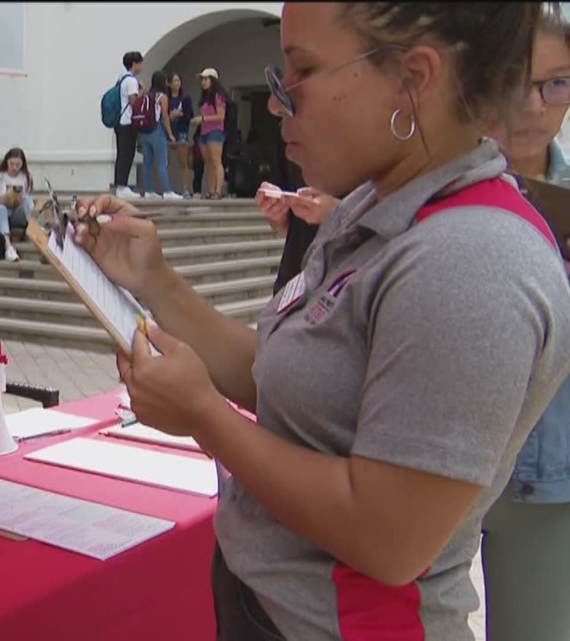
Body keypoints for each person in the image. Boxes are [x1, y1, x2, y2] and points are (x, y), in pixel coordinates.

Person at [72, 3, 570, 639]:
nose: (277, 103)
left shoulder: (471, 259)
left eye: (302, 72)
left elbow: (388, 537)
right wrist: (153, 279)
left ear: (415, 79)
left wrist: (204, 416)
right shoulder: (372, 207)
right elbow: (280, 374)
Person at [480, 7, 570, 640]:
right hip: (436, 463)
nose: (534, 105)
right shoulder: (425, 192)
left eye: (556, 83)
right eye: (516, 80)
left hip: (543, 477)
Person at [255, 183, 337, 293]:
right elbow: (286, 228)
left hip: (337, 284)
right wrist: (276, 211)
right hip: (290, 284)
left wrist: (337, 211)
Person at [0, 147, 34, 262]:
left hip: (15, 214)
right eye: (12, 164)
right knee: (1, 209)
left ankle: (35, 230)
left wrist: (19, 198)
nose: (14, 168)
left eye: (18, 164)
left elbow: (25, 199)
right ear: (6, 162)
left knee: (27, 199)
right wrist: (9, 195)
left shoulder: (25, 177)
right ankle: (8, 247)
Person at [139, 71, 182, 200]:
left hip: (144, 132)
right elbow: (165, 117)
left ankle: (149, 190)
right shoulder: (162, 97)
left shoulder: (146, 95)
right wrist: (170, 134)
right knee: (162, 163)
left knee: (147, 163)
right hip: (157, 131)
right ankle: (167, 191)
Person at [191, 68, 228, 199]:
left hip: (215, 131)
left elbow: (221, 116)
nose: (203, 82)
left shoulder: (218, 96)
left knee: (216, 161)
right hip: (204, 132)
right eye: (202, 79)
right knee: (208, 163)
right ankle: (211, 190)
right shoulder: (205, 98)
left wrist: (202, 119)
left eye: (206, 79)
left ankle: (218, 190)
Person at [113, 51, 144, 199]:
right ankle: (122, 186)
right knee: (127, 154)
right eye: (140, 63)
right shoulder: (131, 81)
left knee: (122, 154)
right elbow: (134, 102)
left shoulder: (121, 78)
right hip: (127, 122)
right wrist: (142, 92)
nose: (141, 66)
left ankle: (121, 185)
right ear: (134, 64)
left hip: (120, 121)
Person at [166, 73, 195, 196]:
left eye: (178, 80)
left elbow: (190, 116)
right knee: (165, 162)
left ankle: (185, 189)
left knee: (183, 162)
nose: (177, 83)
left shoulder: (185, 98)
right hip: (168, 131)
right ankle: (167, 188)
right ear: (169, 83)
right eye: (174, 81)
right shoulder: (166, 98)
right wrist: (169, 115)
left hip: (181, 131)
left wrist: (180, 114)